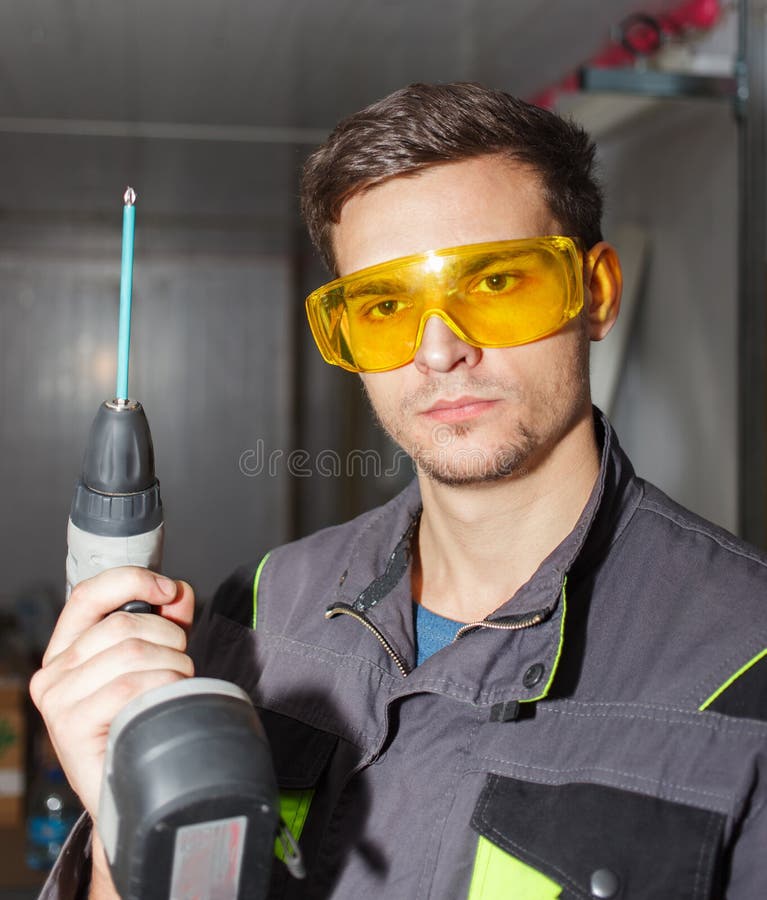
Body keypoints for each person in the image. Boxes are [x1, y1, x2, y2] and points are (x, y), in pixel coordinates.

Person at [33, 82, 767, 899]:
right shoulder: (258, 613)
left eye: (493, 285)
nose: (439, 349)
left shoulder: (744, 662)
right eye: (385, 304)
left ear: (593, 293)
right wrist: (123, 834)